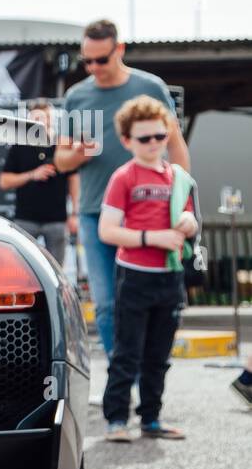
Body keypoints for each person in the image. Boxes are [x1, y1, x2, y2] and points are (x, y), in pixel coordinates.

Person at [55, 19, 190, 359]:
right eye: (87, 61)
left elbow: (175, 145)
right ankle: (121, 376)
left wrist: (183, 200)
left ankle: (146, 377)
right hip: (95, 211)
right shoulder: (77, 96)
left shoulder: (150, 87)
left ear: (120, 50)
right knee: (105, 303)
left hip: (149, 210)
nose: (94, 68)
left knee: (148, 300)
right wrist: (76, 154)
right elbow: (61, 162)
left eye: (102, 59)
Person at [97, 96, 198, 442]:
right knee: (127, 353)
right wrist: (153, 237)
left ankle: (151, 419)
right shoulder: (123, 177)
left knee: (158, 355)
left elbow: (189, 219)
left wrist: (188, 223)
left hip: (171, 277)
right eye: (145, 138)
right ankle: (115, 420)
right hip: (135, 276)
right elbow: (107, 231)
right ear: (127, 141)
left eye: (160, 136)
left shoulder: (178, 177)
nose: (154, 144)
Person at [0, 99, 79, 266]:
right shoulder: (19, 146)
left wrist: (75, 213)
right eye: (37, 118)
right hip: (26, 219)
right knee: (22, 267)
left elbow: (73, 179)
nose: (42, 122)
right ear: (29, 119)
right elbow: (4, 181)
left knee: (57, 269)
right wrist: (32, 175)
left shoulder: (61, 145)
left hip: (57, 219)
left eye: (46, 117)